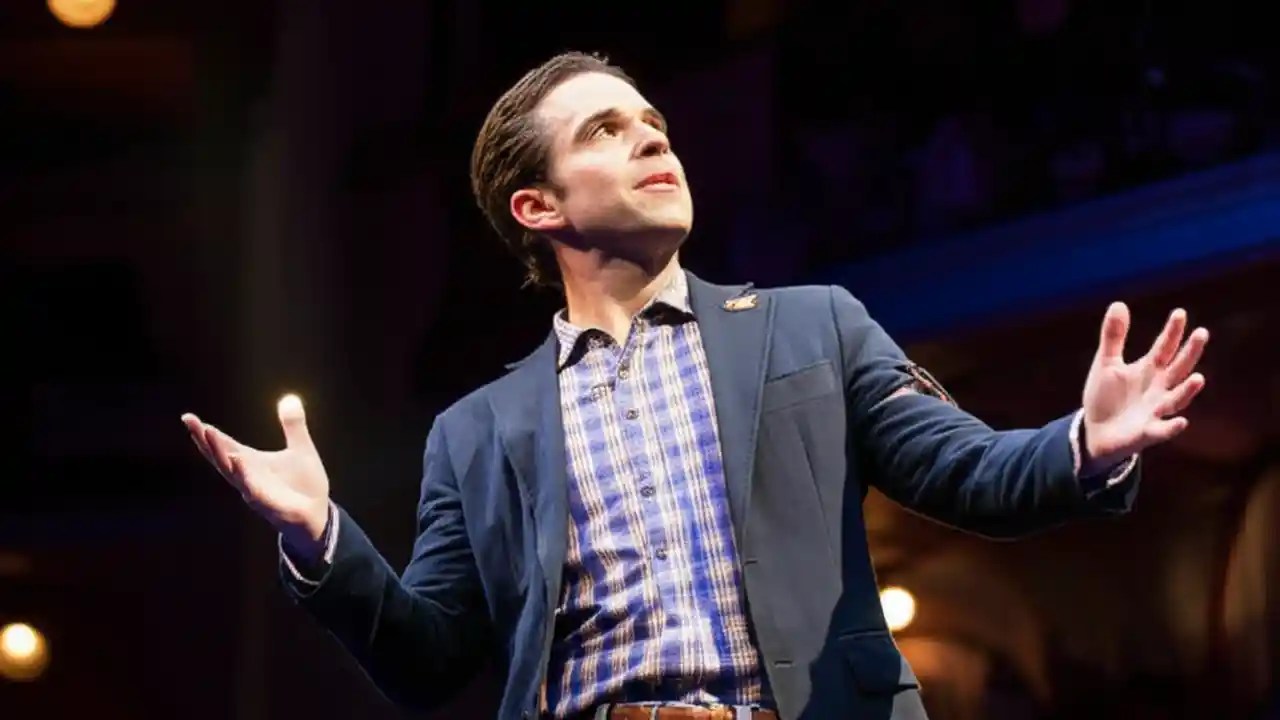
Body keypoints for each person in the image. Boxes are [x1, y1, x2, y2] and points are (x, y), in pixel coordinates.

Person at [180, 51, 1210, 720]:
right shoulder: (475, 431)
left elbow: (968, 471)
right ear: (537, 207)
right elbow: (428, 657)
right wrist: (322, 541)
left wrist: (1083, 442)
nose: (650, 136)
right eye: (604, 132)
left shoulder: (816, 328)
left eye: (651, 121)